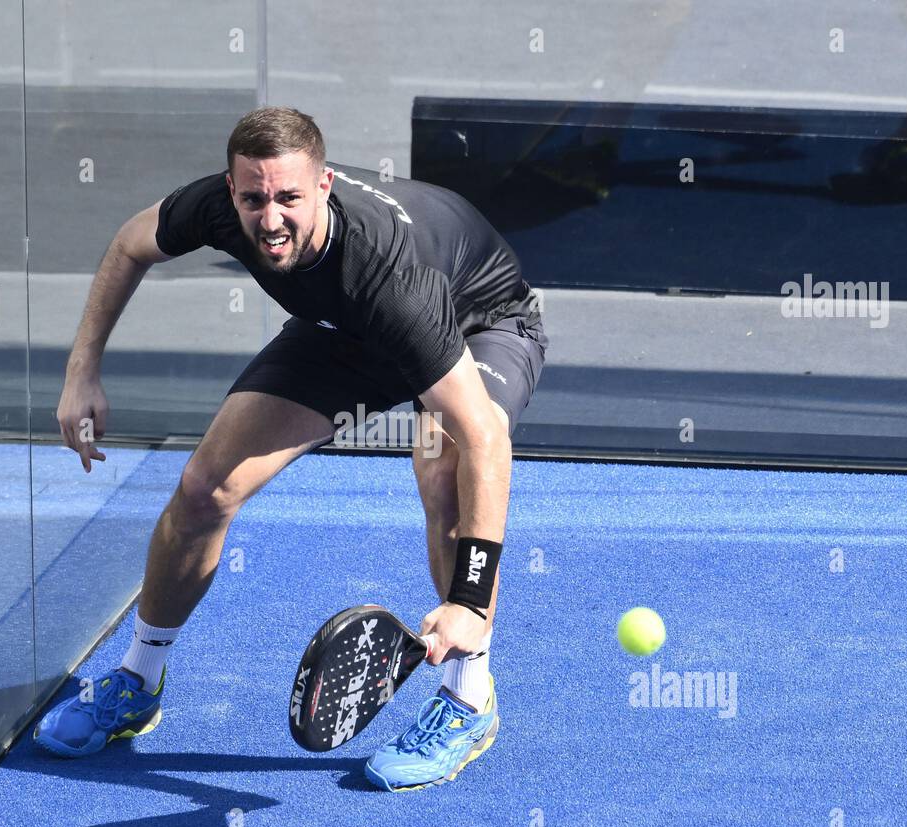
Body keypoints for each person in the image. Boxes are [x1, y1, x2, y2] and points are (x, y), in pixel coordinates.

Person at [34, 106, 547, 791]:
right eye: (253, 198)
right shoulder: (216, 209)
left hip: (478, 320)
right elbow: (131, 242)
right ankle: (139, 678)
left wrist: (469, 604)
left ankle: (468, 696)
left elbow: (485, 436)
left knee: (444, 462)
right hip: (343, 331)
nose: (270, 218)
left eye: (289, 198)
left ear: (324, 185)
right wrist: (81, 371)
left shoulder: (391, 279)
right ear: (230, 189)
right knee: (204, 489)